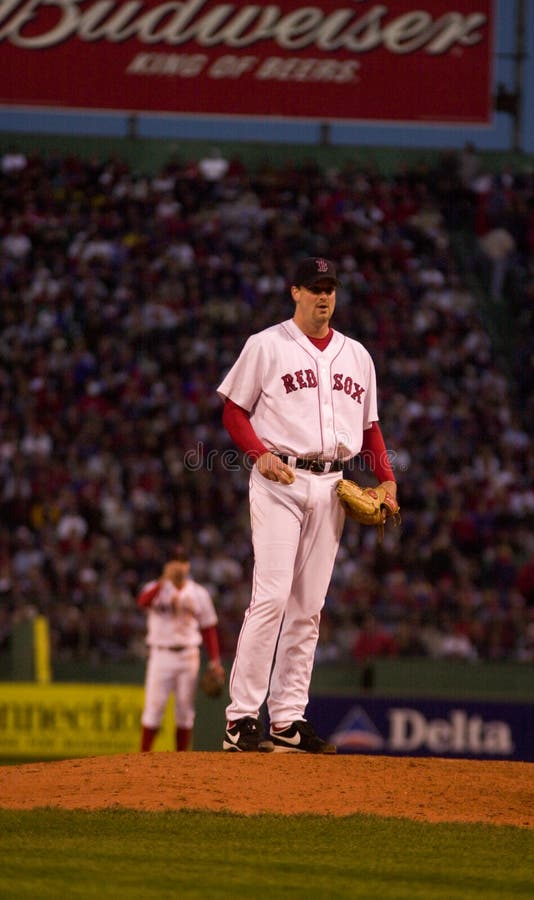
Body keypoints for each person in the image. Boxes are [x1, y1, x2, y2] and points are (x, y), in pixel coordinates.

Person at [216, 256, 398, 753]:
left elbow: (369, 428)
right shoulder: (266, 345)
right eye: (315, 288)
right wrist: (259, 454)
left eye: (330, 288)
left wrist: (387, 478)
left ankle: (287, 719)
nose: (324, 296)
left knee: (308, 607)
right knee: (272, 597)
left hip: (334, 484)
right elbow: (233, 411)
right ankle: (241, 718)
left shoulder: (357, 355)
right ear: (294, 291)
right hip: (280, 479)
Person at [137, 547, 224, 752]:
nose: (179, 565)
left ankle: (181, 760)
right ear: (167, 565)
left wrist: (215, 660)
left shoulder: (199, 593)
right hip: (161, 654)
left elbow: (209, 628)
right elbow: (142, 602)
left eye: (183, 561)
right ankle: (142, 758)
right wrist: (163, 581)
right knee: (154, 708)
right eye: (174, 561)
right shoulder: (155, 588)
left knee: (185, 711)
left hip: (188, 655)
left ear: (188, 565)